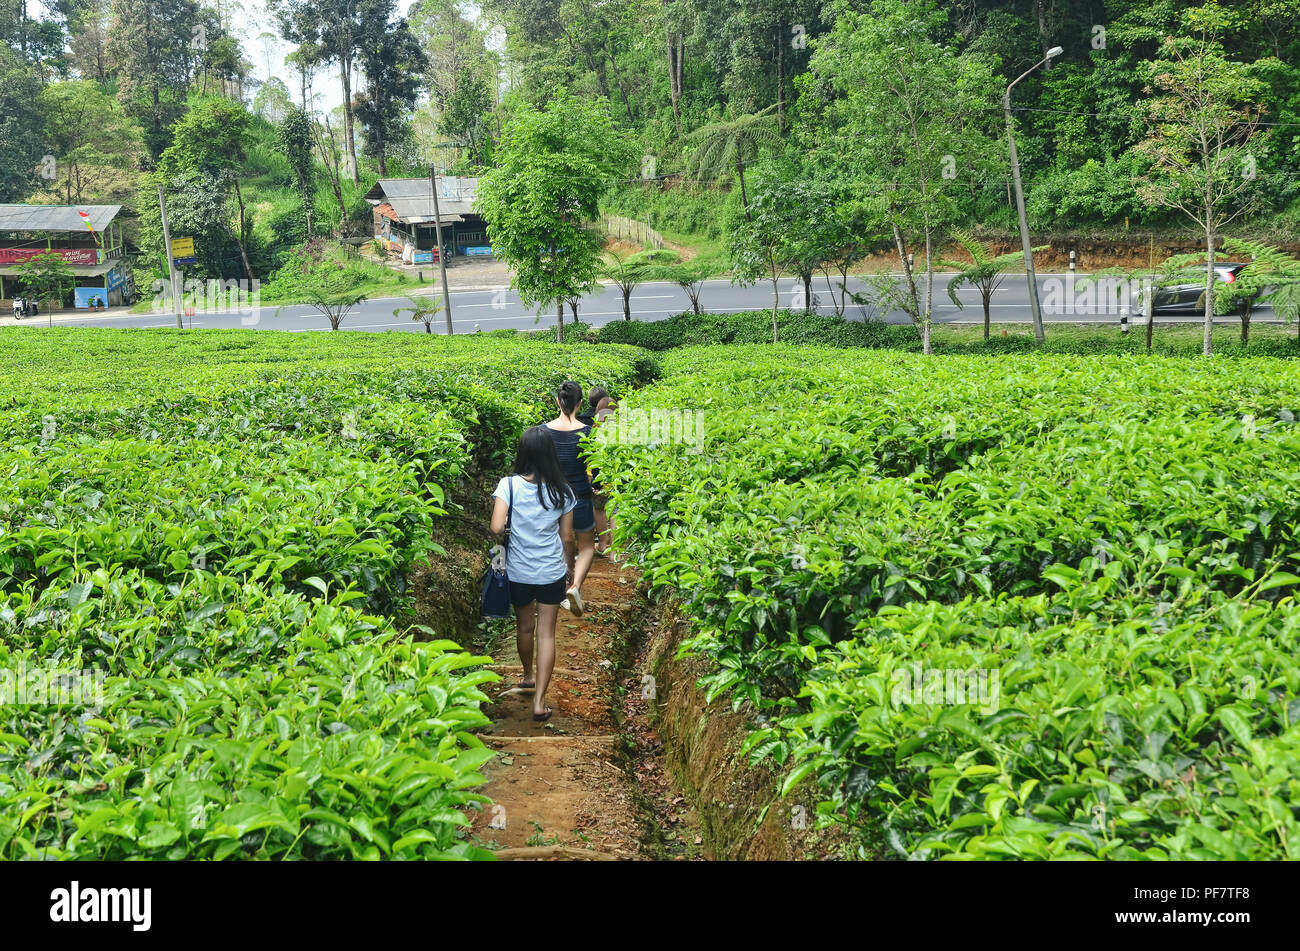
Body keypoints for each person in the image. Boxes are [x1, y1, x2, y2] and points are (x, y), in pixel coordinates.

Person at [490, 426, 577, 723]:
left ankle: (527, 674)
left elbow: (496, 527)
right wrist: (569, 568)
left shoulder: (508, 485)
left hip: (518, 571)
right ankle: (540, 702)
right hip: (550, 570)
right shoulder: (563, 490)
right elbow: (568, 538)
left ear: (523, 453)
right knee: (547, 633)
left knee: (525, 628)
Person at [543, 381, 596, 614]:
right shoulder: (586, 432)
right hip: (580, 496)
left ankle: (560, 583)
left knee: (559, 542)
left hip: (551, 497)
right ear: (580, 404)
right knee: (586, 547)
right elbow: (596, 466)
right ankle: (574, 586)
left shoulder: (542, 431)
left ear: (557, 401)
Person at [590, 396, 618, 553]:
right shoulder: (620, 430)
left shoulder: (594, 431)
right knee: (615, 513)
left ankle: (601, 545)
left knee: (599, 510)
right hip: (615, 480)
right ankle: (614, 552)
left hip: (597, 480)